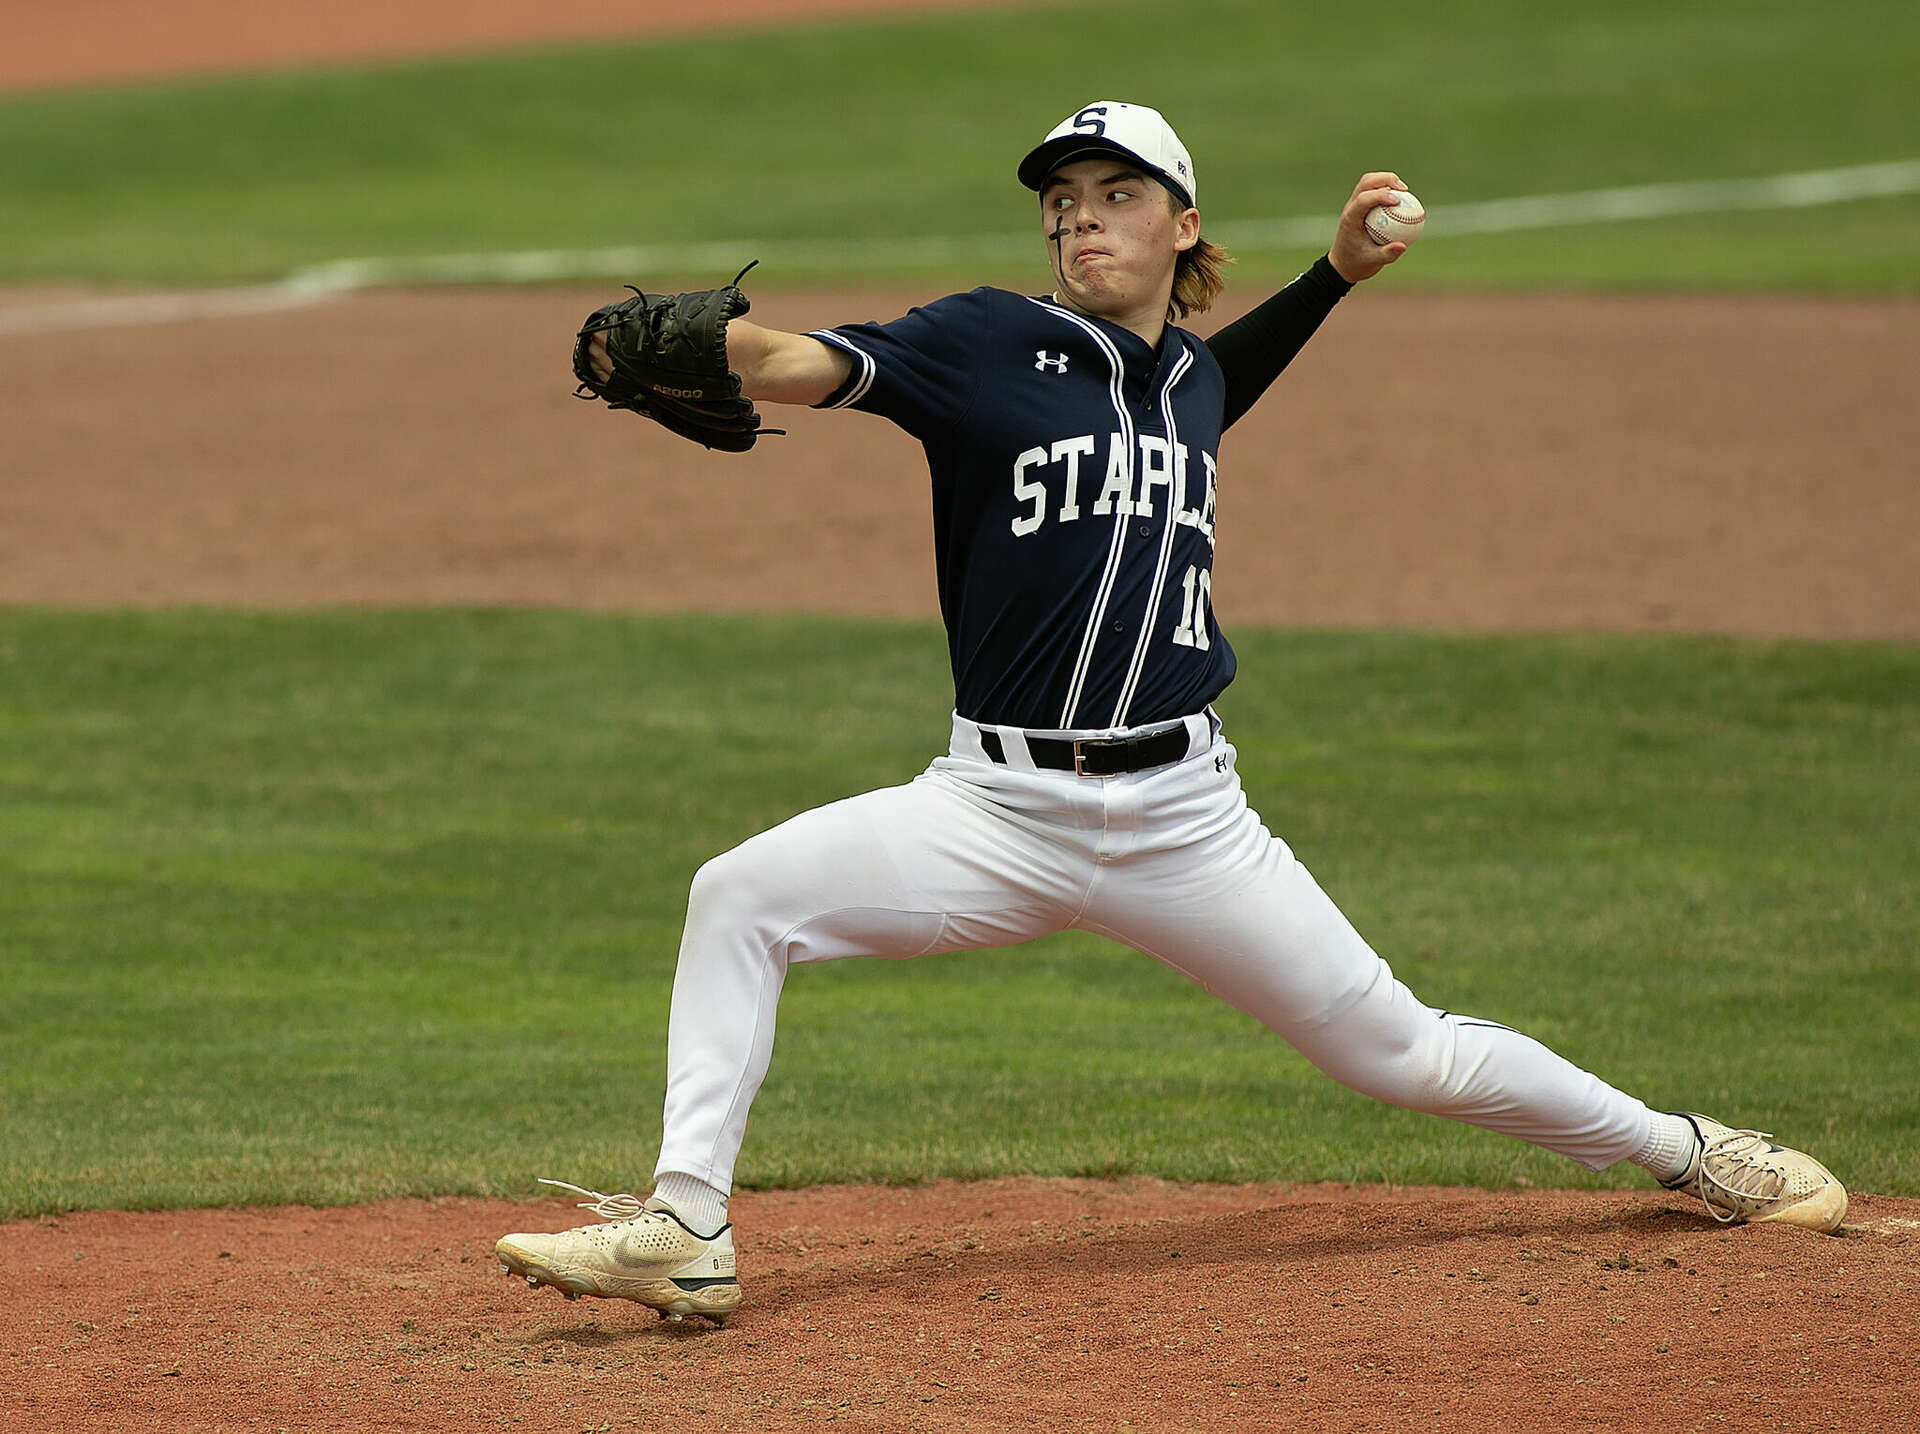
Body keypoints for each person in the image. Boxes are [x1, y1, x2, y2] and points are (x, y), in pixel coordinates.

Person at [495, 101, 1846, 1324]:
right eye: (1062, 196)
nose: (1080, 212)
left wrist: (1335, 276)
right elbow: (806, 360)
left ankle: (1689, 1148)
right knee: (740, 893)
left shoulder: (1191, 381)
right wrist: (674, 346)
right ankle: (686, 1224)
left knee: (1404, 1048)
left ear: (1182, 223)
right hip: (992, 807)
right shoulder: (984, 344)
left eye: (1116, 191)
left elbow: (1218, 379)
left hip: (1188, 818)